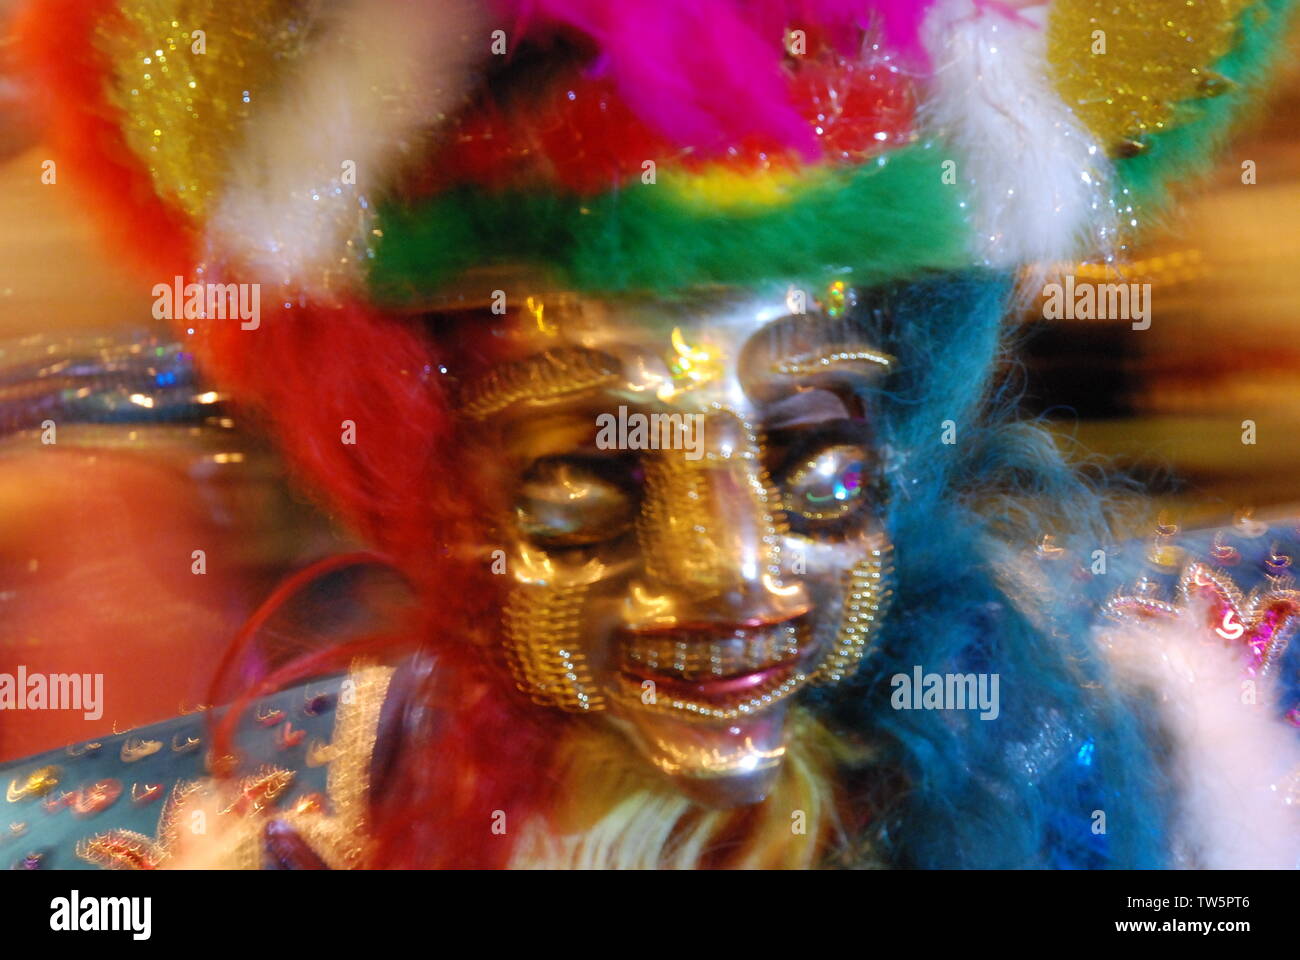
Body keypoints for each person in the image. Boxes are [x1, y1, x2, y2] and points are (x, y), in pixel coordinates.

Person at [4, 0, 1299, 869]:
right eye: (587, 485)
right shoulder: (363, 800)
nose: (730, 570)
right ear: (442, 501)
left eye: (815, 469)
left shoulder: (1080, 788)